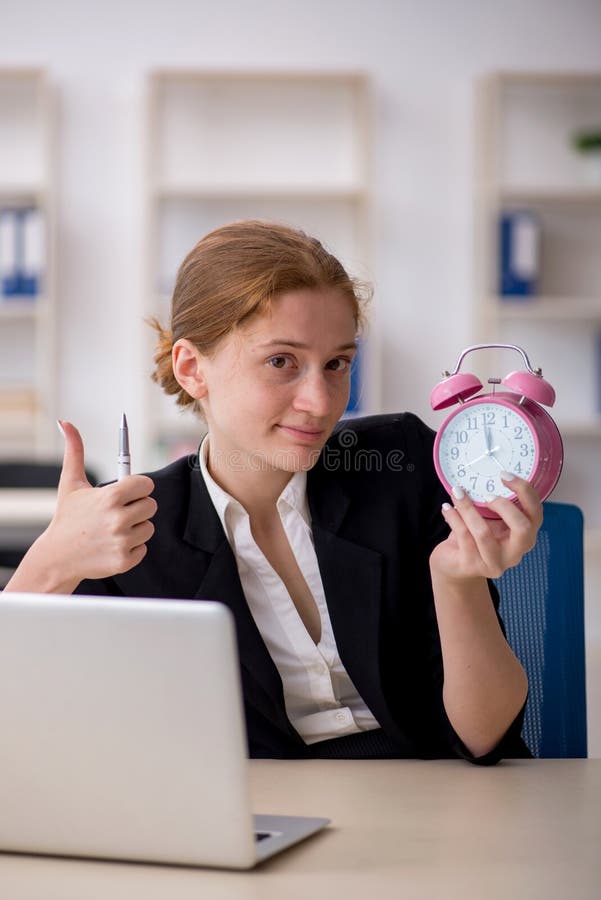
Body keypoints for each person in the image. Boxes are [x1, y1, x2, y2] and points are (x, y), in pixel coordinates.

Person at [6, 219, 540, 763]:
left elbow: (484, 737)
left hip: (436, 813)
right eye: (281, 362)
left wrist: (457, 582)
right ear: (191, 368)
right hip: (256, 822)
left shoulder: (403, 467)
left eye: (337, 364)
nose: (320, 400)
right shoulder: (134, 533)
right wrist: (49, 564)